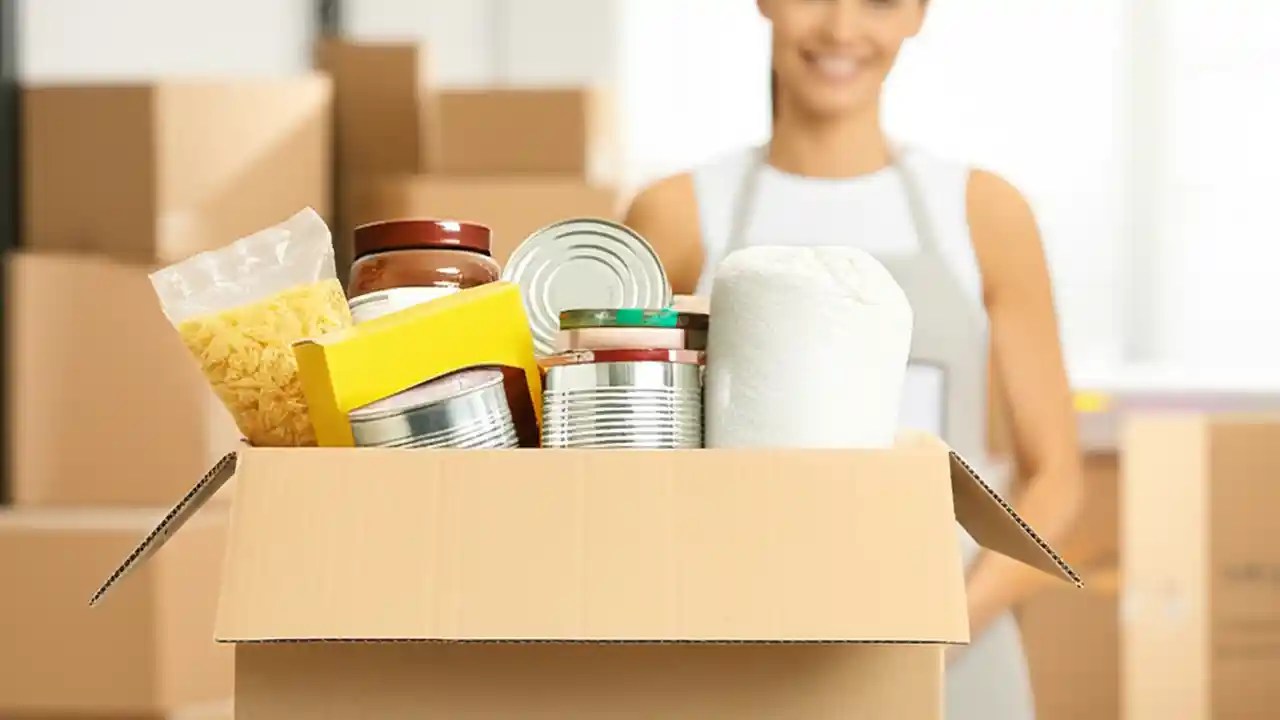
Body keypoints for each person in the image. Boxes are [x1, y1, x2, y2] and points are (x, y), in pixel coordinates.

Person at [624, 1, 1084, 717]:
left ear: (920, 14)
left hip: (957, 658)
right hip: (744, 652)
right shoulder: (677, 213)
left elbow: (1056, 480)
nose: (841, 29)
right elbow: (633, 461)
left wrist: (943, 628)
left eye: (879, 1)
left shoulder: (984, 212)